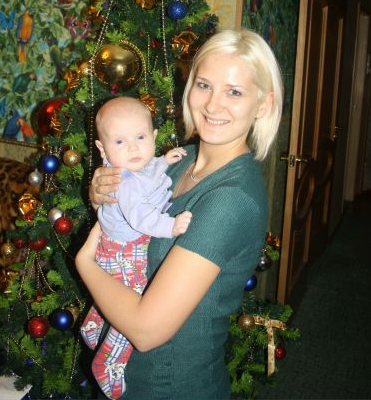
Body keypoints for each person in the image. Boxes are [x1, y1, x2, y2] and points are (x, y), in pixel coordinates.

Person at [76, 28, 283, 400]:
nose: (213, 105)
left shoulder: (230, 199)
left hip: (169, 387)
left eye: (234, 92)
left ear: (263, 105)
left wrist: (84, 263)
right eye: (204, 85)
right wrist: (100, 197)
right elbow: (130, 219)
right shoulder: (179, 161)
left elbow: (146, 330)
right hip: (132, 381)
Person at [80, 96, 191, 399]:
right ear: (102, 149)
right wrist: (170, 226)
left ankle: (93, 324)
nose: (133, 148)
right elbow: (141, 217)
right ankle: (108, 362)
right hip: (124, 250)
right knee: (132, 303)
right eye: (120, 141)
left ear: (153, 136)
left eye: (140, 137)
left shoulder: (138, 165)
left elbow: (149, 170)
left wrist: (164, 161)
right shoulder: (124, 182)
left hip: (118, 245)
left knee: (115, 290)